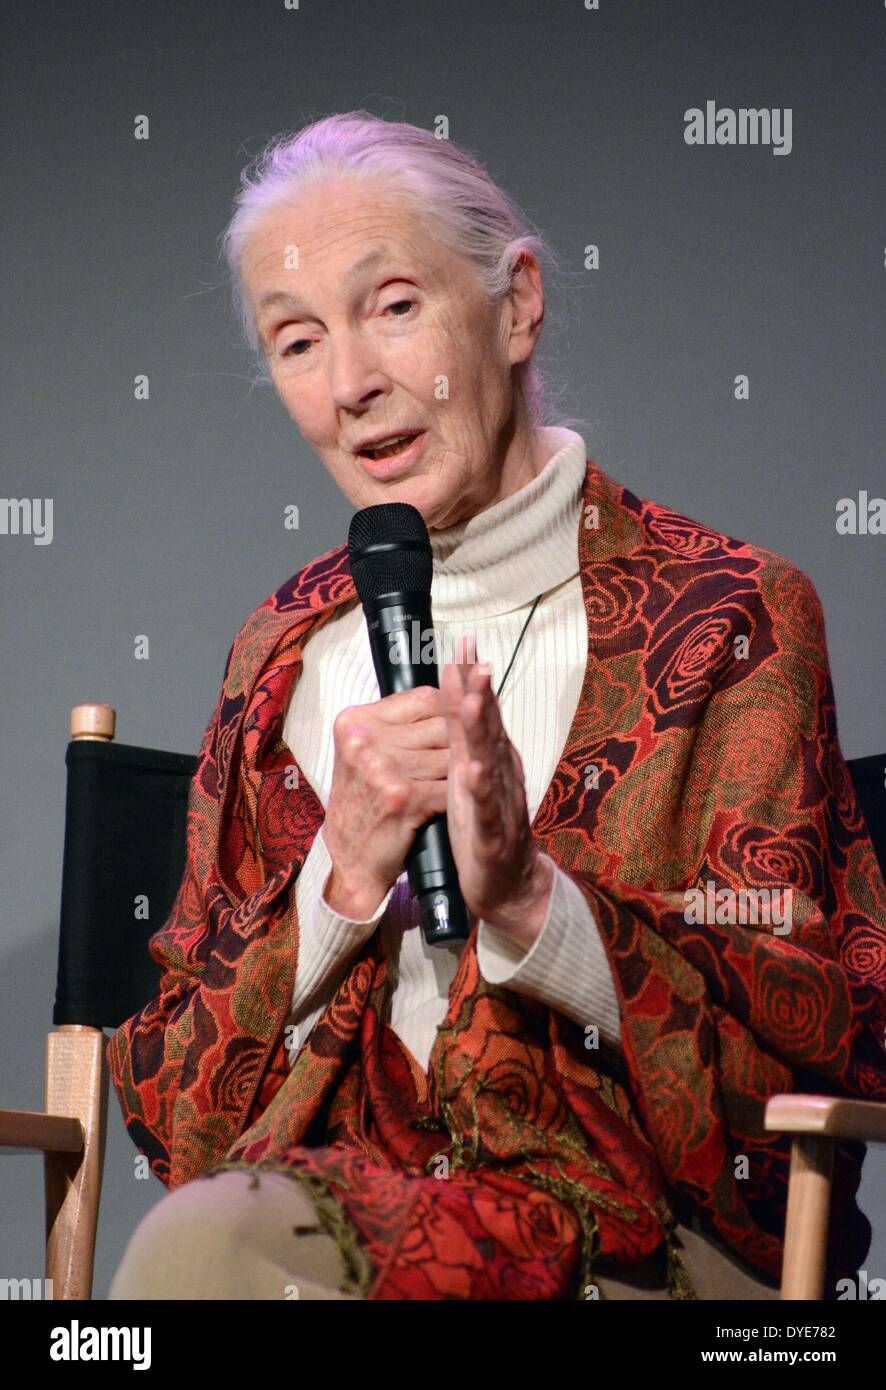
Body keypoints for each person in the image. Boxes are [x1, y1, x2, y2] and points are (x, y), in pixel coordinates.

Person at [106, 112, 886, 1301]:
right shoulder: (284, 653)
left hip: (651, 1236)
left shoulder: (730, 614)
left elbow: (824, 1046)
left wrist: (530, 894)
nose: (353, 383)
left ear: (516, 303)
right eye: (298, 340)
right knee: (202, 1254)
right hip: (338, 1216)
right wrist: (339, 883)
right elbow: (178, 1112)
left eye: (396, 305)